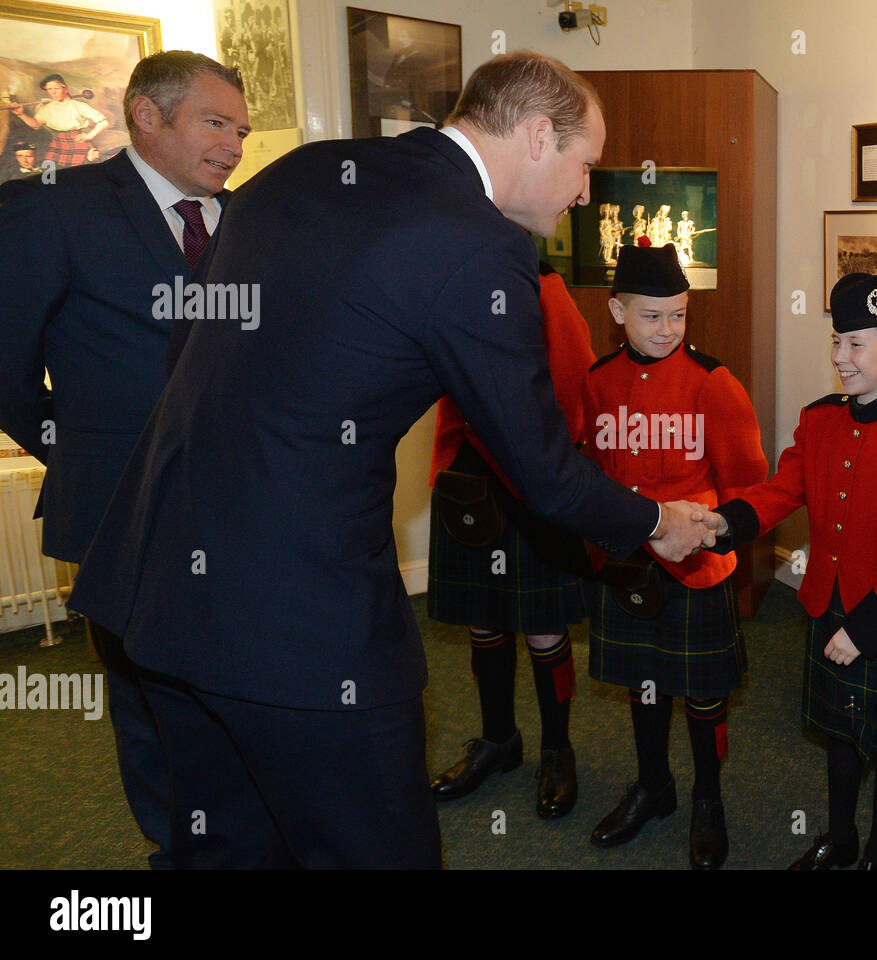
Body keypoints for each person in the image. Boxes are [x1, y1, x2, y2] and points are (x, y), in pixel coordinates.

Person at [66, 50, 717, 870]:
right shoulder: (480, 249)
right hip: (294, 624)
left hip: (152, 582)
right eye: (587, 165)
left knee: (223, 847)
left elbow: (186, 346)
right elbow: (542, 467)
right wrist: (656, 520)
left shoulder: (307, 169)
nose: (586, 193)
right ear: (538, 134)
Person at [0, 51, 248, 869]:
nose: (235, 145)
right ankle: (177, 854)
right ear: (147, 114)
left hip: (246, 508)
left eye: (240, 129)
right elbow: (5, 371)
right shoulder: (51, 211)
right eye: (217, 124)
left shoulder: (250, 221)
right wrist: (84, 454)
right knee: (150, 701)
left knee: (236, 691)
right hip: (118, 511)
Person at [707, 273, 877, 870]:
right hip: (826, 605)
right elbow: (780, 491)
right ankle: (841, 839)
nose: (840, 357)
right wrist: (721, 524)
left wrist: (865, 628)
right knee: (840, 736)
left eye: (857, 344)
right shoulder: (820, 419)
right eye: (837, 341)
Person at [582, 239, 768, 869]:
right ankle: (654, 787)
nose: (667, 329)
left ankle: (707, 798)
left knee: (705, 692)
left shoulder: (715, 384)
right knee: (645, 684)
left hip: (696, 567)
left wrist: (710, 530)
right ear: (616, 312)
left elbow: (747, 483)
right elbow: (589, 475)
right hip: (628, 563)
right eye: (651, 315)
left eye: (679, 315)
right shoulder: (597, 383)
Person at [426, 261, 594, 818]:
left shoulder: (545, 287)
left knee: (544, 625)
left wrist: (550, 475)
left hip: (533, 477)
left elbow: (573, 384)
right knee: (484, 616)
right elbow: (445, 380)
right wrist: (448, 463)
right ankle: (499, 740)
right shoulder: (457, 281)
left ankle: (556, 749)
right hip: (473, 477)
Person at [6, 74, 109, 168]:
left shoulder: (79, 106)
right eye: (49, 89)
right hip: (58, 142)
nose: (53, 92)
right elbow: (36, 125)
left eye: (56, 88)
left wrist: (89, 135)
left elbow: (104, 122)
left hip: (77, 142)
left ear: (65, 88)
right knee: (50, 173)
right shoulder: (46, 108)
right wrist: (21, 114)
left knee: (80, 172)